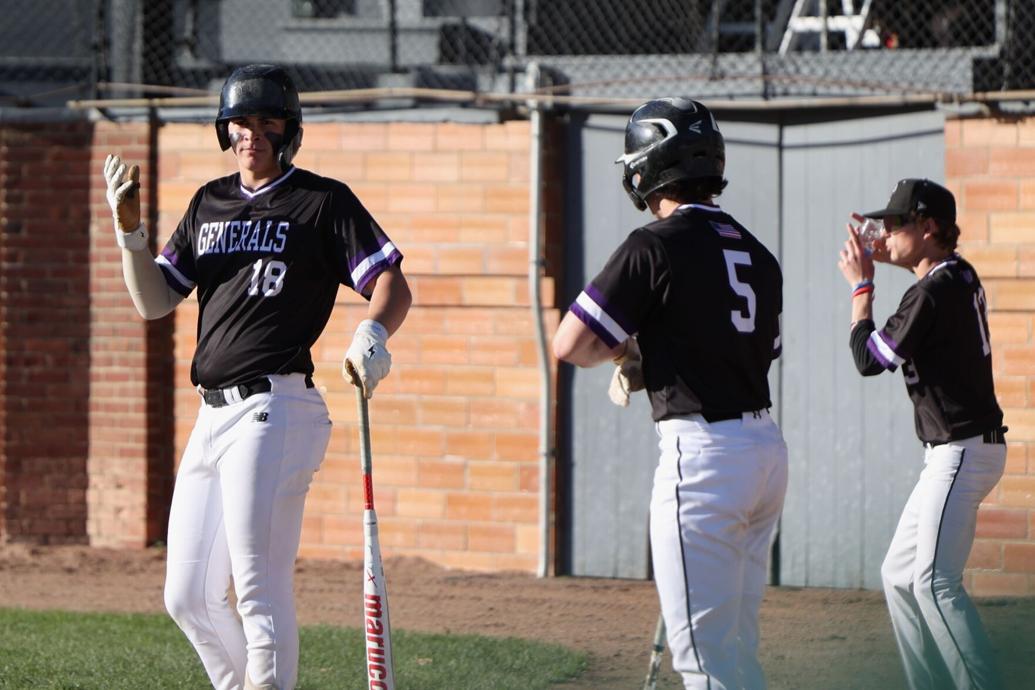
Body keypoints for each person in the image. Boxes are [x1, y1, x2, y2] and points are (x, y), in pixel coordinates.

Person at [101, 64, 411, 690]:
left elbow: (389, 283)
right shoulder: (208, 201)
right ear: (225, 130)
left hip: (276, 407)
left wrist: (371, 333)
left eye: (266, 121)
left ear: (289, 129)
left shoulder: (322, 201)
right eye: (240, 121)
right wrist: (130, 233)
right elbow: (155, 302)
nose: (251, 133)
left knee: (257, 590)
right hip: (212, 414)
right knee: (187, 596)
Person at [553, 97, 787, 690]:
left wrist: (626, 349)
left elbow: (570, 343)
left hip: (702, 458)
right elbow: (754, 348)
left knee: (705, 665)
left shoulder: (652, 243)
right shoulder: (758, 252)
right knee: (738, 651)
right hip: (763, 453)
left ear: (651, 165)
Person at [837, 178, 1005, 690]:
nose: (884, 233)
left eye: (896, 223)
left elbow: (870, 360)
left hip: (960, 450)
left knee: (933, 583)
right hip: (961, 450)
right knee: (899, 577)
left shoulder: (931, 292)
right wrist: (883, 251)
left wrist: (862, 288)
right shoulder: (958, 274)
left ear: (928, 227)